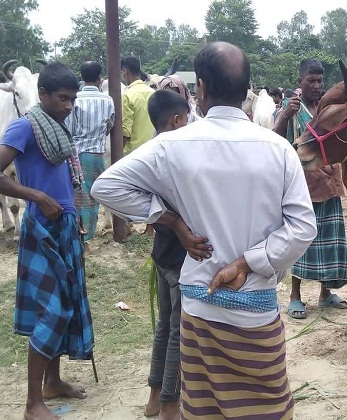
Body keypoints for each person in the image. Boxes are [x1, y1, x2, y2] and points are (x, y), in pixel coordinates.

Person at [92, 41, 316, 419]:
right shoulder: (278, 150)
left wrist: (172, 220)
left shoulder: (171, 146)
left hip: (199, 310)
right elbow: (302, 227)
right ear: (247, 90)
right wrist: (248, 261)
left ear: (201, 88)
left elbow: (105, 188)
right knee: (266, 410)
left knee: (203, 410)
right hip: (255, 314)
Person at [0, 62, 94, 420]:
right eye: (62, 98)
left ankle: (52, 383)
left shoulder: (57, 128)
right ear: (42, 95)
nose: (69, 106)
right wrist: (36, 197)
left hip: (64, 227)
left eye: (72, 99)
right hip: (41, 229)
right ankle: (31, 404)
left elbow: (66, 182)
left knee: (64, 304)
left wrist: (74, 218)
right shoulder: (24, 127)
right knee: (51, 311)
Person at [273, 58, 347, 319]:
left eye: (320, 81)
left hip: (328, 182)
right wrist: (285, 115)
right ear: (300, 82)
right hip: (302, 186)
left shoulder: (325, 108)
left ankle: (325, 292)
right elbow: (275, 139)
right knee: (300, 240)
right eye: (311, 81)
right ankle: (295, 297)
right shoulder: (291, 108)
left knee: (328, 241)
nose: (317, 86)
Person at [142, 89, 191, 420]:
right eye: (187, 120)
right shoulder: (177, 156)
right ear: (176, 121)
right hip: (177, 257)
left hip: (161, 252)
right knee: (177, 330)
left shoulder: (147, 155)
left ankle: (155, 396)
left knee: (164, 327)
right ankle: (171, 406)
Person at [65, 61, 115, 242]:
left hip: (76, 155)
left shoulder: (74, 100)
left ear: (82, 77)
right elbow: (110, 125)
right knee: (92, 198)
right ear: (99, 78)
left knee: (77, 197)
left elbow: (68, 128)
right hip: (97, 154)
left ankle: (80, 238)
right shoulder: (108, 100)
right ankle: (88, 236)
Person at [121, 56, 155, 155]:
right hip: (153, 151)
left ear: (125, 71)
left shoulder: (127, 95)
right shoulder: (153, 93)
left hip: (133, 154)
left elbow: (125, 131)